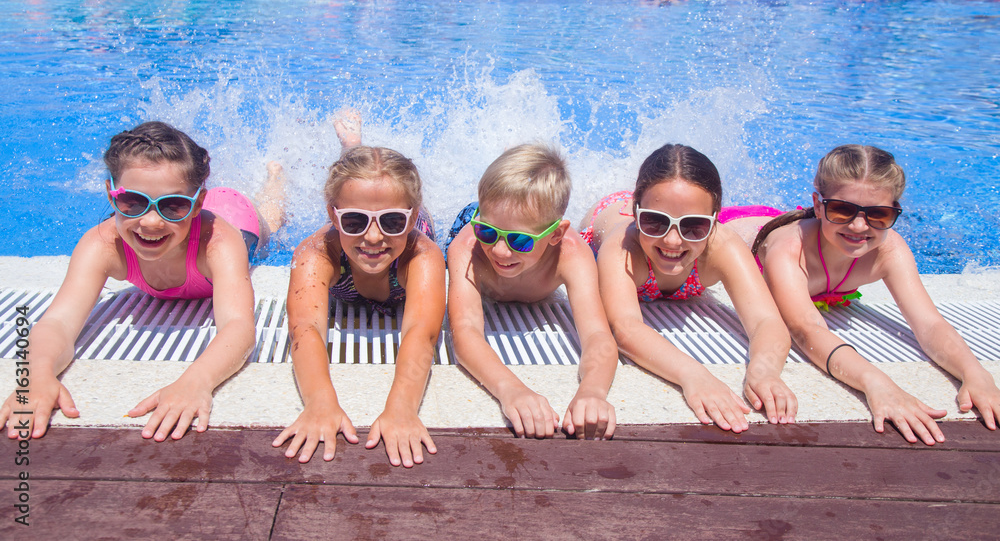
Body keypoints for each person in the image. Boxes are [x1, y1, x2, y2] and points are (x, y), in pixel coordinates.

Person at [0, 121, 286, 441]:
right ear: (112, 195)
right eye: (133, 202)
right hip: (194, 216)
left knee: (271, 221)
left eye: (172, 204)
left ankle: (275, 177)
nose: (150, 221)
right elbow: (57, 322)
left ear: (197, 204)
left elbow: (239, 327)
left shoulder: (218, 244)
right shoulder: (103, 245)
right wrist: (36, 377)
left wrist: (195, 382)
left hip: (237, 218)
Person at [752, 145, 1000, 445]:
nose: (858, 226)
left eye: (878, 215)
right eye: (842, 210)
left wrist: (975, 373)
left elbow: (929, 324)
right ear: (818, 205)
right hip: (750, 230)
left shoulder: (888, 249)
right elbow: (807, 330)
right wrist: (877, 383)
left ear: (894, 210)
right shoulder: (790, 251)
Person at [584, 144, 797, 432]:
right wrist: (694, 375)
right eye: (655, 222)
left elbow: (766, 320)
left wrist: (765, 370)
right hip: (611, 214)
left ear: (714, 221)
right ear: (637, 214)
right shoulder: (622, 249)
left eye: (694, 226)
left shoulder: (722, 245)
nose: (673, 241)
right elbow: (625, 328)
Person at [273, 145, 445, 467]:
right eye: (354, 220)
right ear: (332, 215)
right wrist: (319, 401)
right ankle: (336, 155)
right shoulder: (317, 253)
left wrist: (402, 407)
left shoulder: (420, 254)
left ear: (410, 215)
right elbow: (305, 327)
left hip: (414, 233)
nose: (374, 237)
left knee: (377, 193)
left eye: (392, 220)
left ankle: (361, 167)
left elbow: (421, 331)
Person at [446, 145, 618, 440]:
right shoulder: (468, 246)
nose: (499, 251)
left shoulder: (571, 254)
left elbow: (597, 336)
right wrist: (512, 391)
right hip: (470, 220)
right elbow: (465, 333)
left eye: (519, 241)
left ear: (555, 234)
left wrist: (592, 391)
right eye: (489, 233)